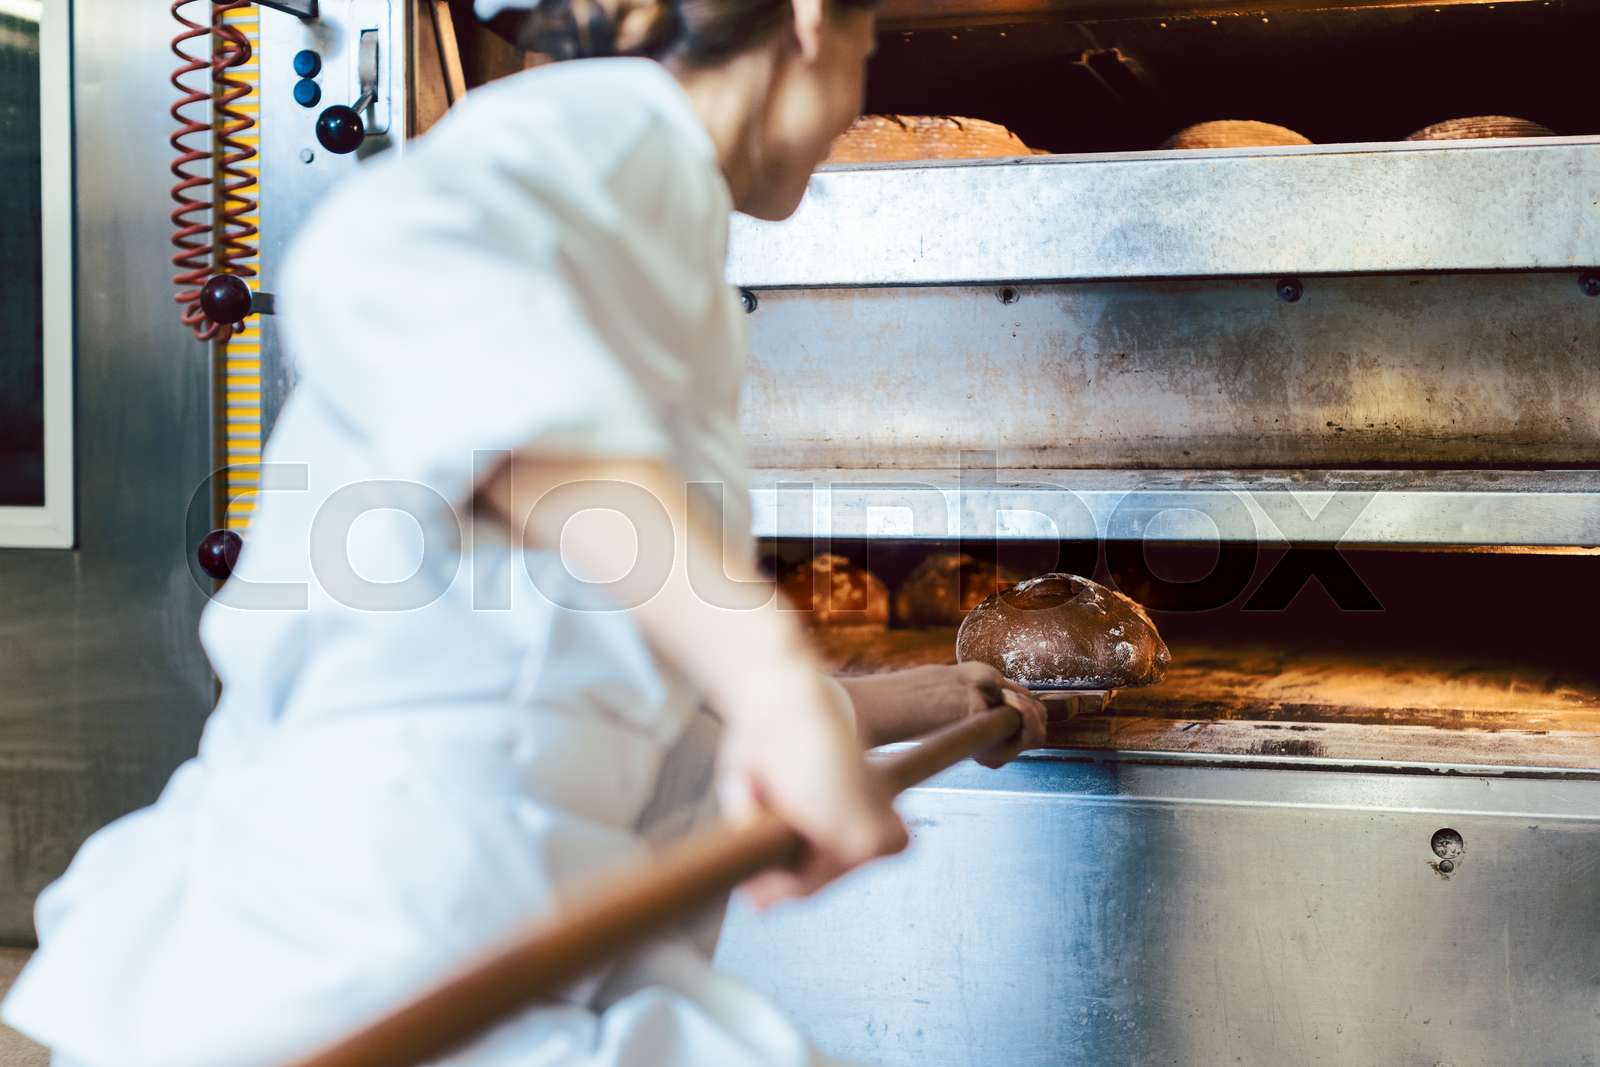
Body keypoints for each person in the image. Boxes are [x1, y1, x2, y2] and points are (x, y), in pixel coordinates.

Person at [2, 0, 1046, 1062]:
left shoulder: (654, 215)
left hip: (478, 913)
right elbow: (384, 266)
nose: (846, 115)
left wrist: (901, 702)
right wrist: (769, 670)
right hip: (388, 914)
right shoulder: (616, 129)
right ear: (814, 22)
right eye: (869, 57)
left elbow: (576, 656)